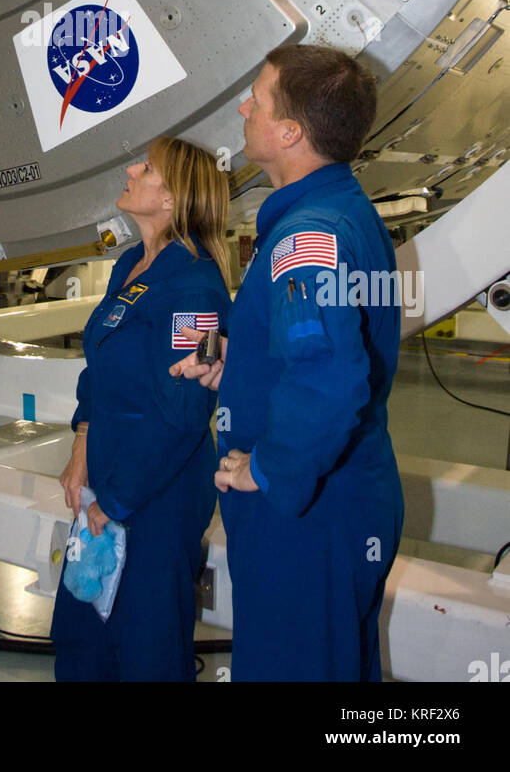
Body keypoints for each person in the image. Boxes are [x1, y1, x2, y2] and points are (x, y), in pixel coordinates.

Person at [172, 44, 405, 681]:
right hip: (343, 498)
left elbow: (330, 376)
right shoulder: (339, 215)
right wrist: (234, 365)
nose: (243, 106)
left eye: (259, 97)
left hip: (309, 515)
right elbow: (318, 342)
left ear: (290, 131)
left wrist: (271, 467)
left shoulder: (308, 237)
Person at [51, 135, 232, 682]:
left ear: (173, 200)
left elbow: (183, 416)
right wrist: (81, 443)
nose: (131, 168)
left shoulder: (196, 289)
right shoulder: (131, 262)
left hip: (157, 494)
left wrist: (120, 499)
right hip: (104, 478)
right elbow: (99, 367)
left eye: (147, 167)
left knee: (146, 648)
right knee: (82, 639)